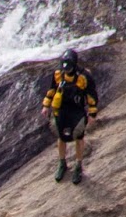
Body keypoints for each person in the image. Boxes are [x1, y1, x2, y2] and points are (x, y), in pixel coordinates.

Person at [42, 49, 98, 184]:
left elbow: (92, 96)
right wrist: (46, 105)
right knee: (62, 137)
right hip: (61, 110)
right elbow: (51, 90)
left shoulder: (84, 77)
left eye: (69, 68)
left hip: (77, 111)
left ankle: (79, 165)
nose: (66, 70)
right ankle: (62, 163)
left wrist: (92, 113)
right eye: (64, 67)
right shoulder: (58, 74)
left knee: (78, 137)